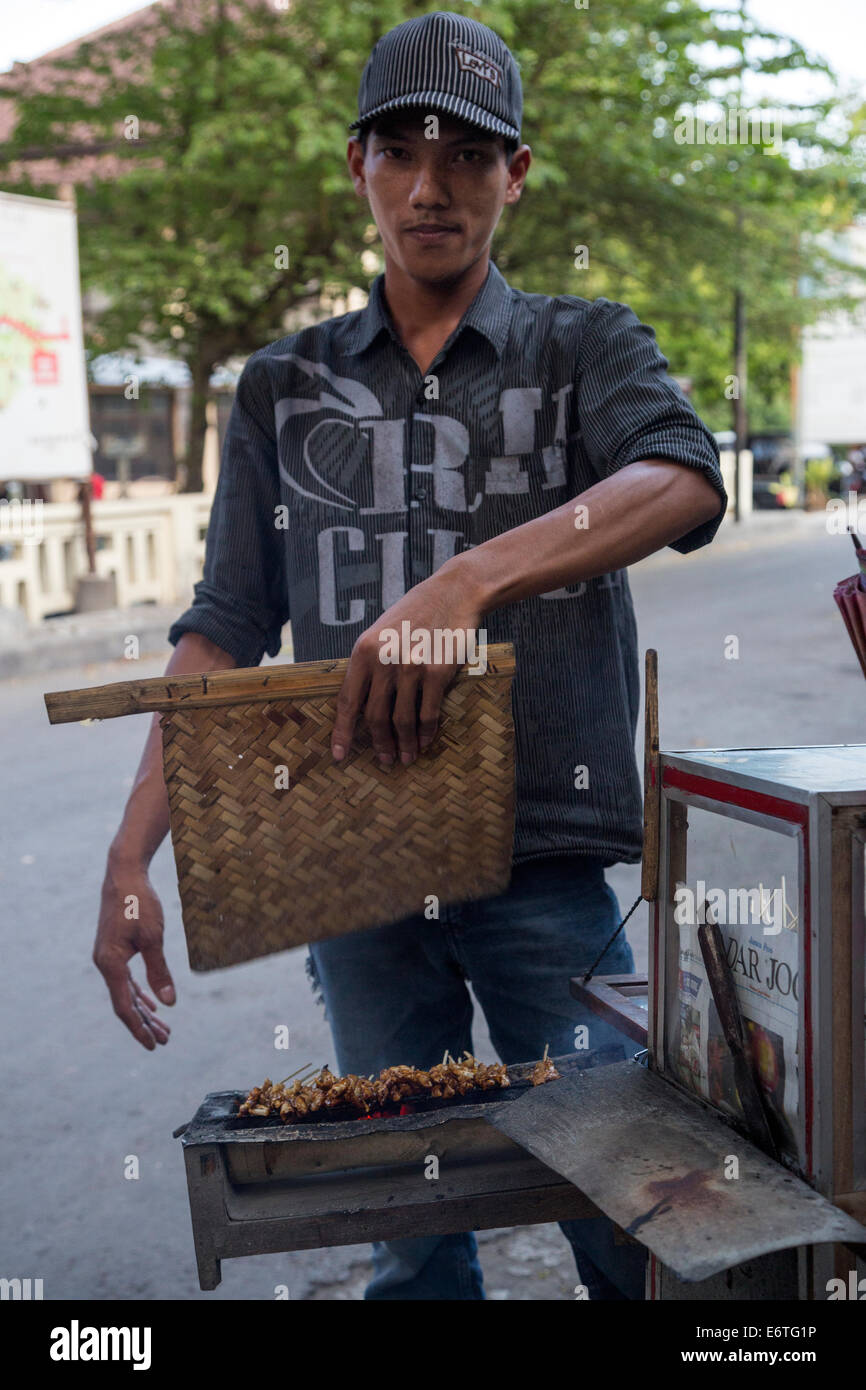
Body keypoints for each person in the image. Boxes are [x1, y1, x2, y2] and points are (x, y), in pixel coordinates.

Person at [93, 11, 727, 1299]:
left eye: (469, 154)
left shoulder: (580, 347)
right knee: (410, 1221)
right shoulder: (281, 385)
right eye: (401, 149)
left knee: (633, 1209)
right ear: (359, 166)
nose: (431, 185)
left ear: (517, 171)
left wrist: (471, 576)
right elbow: (222, 626)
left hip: (542, 859)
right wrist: (125, 853)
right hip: (352, 867)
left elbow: (680, 479)